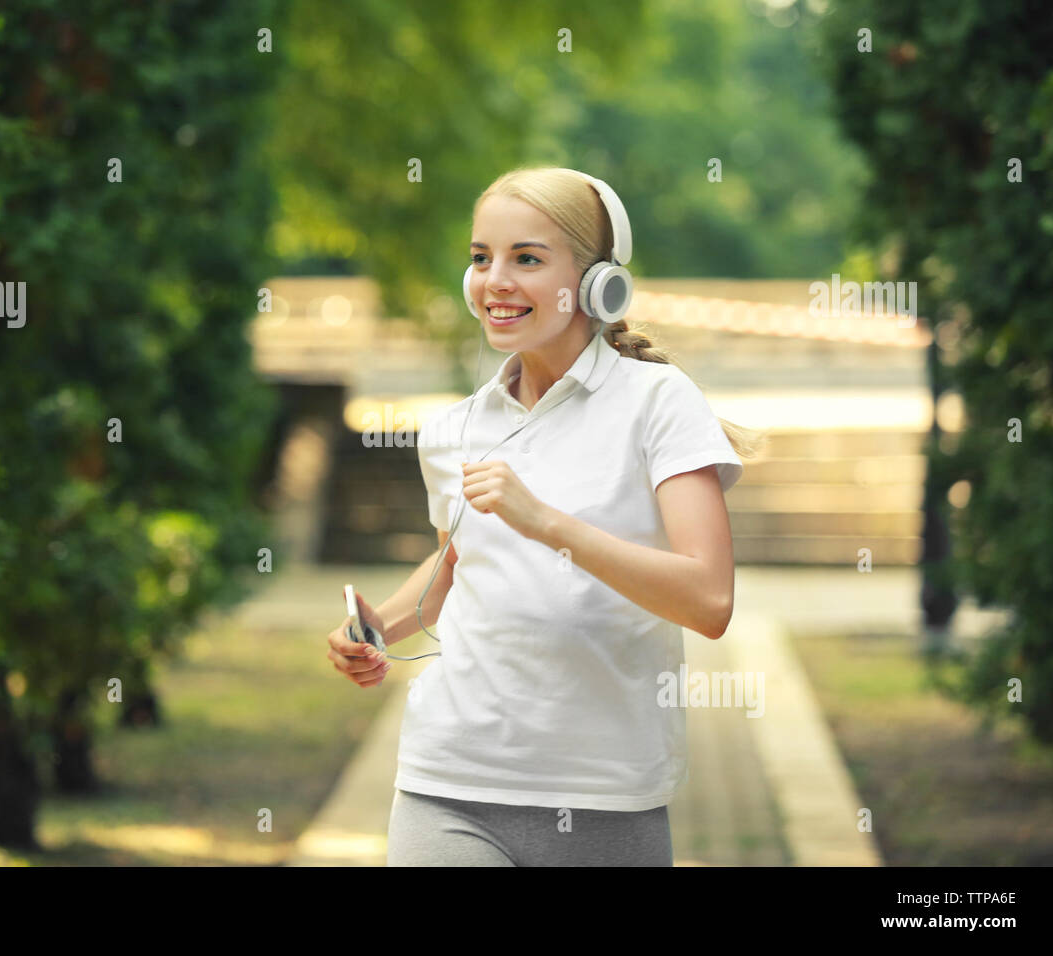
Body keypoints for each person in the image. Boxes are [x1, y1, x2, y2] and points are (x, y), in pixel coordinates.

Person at [325, 166, 763, 866]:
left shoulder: (659, 403)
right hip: (448, 780)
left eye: (526, 258)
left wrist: (548, 522)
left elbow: (709, 600)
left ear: (597, 283)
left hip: (607, 795)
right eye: (480, 258)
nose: (494, 280)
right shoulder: (455, 429)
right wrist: (375, 627)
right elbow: (455, 568)